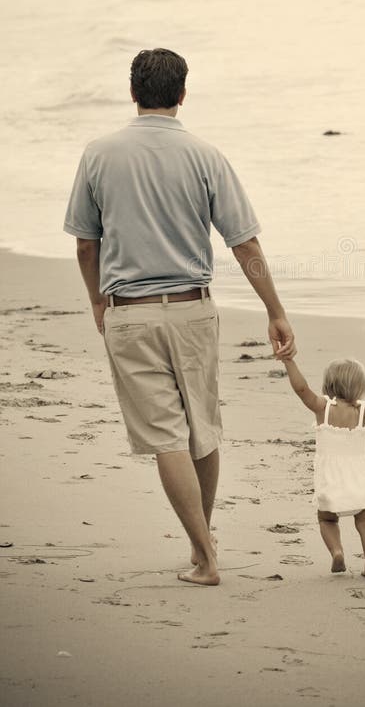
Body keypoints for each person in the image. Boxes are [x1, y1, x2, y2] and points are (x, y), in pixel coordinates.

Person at [64, 47, 295, 586]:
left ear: (133, 93)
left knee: (166, 436)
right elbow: (244, 242)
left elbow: (84, 246)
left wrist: (98, 302)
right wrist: (275, 311)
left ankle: (204, 555)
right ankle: (202, 546)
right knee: (202, 430)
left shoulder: (98, 154)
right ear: (183, 94)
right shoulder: (206, 154)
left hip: (130, 311)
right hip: (192, 309)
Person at [278, 353, 365, 578]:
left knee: (326, 518)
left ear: (328, 385)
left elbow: (302, 389)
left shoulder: (323, 408)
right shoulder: (362, 412)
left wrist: (289, 362)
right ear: (360, 387)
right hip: (361, 477)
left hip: (330, 478)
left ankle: (337, 551)